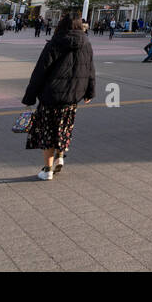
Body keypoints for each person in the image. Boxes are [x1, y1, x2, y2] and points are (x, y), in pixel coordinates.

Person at [21, 14, 96, 180]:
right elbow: (91, 69)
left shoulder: (55, 43)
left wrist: (29, 97)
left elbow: (40, 71)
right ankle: (60, 156)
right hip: (73, 96)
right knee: (63, 128)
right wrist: (90, 92)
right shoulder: (86, 44)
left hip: (51, 96)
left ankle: (47, 169)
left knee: (48, 132)